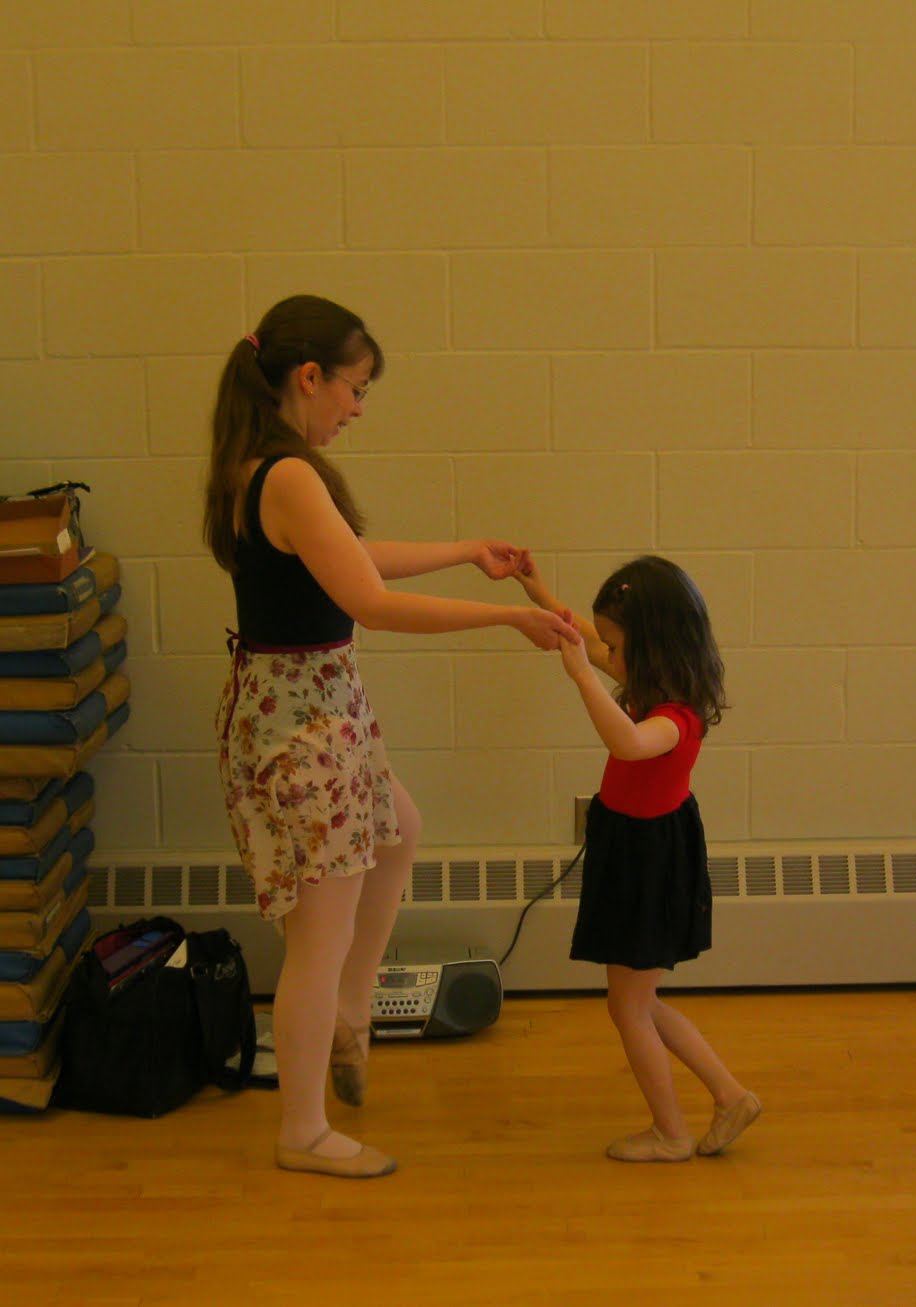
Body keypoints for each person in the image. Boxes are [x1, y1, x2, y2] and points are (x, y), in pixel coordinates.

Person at [205, 295, 577, 1179]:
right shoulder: (287, 475)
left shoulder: (264, 464)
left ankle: (349, 1008)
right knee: (318, 932)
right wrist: (501, 623)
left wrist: (463, 550)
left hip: (310, 703)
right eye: (355, 388)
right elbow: (368, 600)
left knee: (399, 830)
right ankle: (303, 1125)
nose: (358, 409)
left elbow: (354, 561)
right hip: (304, 721)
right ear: (310, 378)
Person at [517, 555, 759, 1162]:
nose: (607, 656)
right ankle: (729, 1095)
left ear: (651, 646)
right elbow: (585, 635)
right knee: (638, 1002)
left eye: (617, 647)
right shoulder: (653, 682)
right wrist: (536, 588)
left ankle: (671, 1132)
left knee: (627, 1007)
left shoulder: (675, 718)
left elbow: (626, 743)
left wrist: (580, 677)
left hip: (651, 860)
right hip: (631, 846)